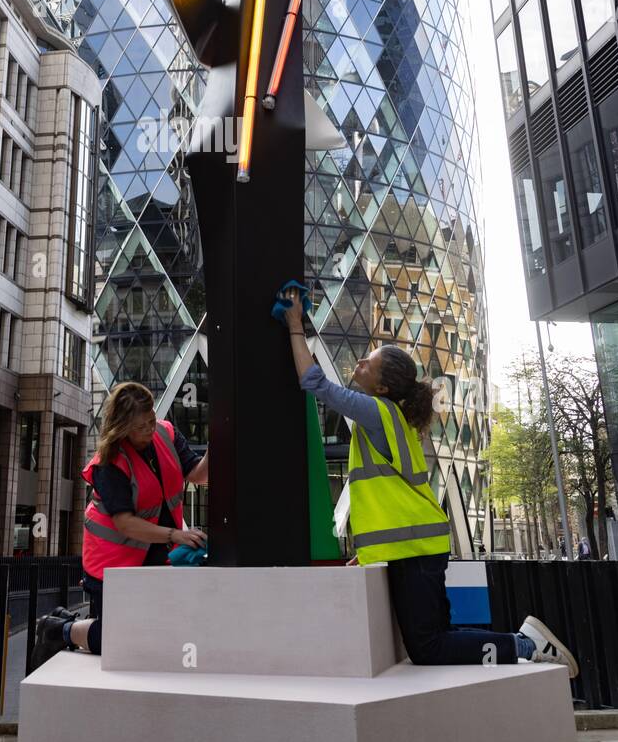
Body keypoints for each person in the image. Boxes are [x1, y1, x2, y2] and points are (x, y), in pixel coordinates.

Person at [280, 289, 579, 677]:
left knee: (429, 646)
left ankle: (525, 644)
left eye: (369, 362)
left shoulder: (374, 411)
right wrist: (370, 553)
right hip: (418, 548)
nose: (362, 361)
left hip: (417, 551)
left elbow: (315, 383)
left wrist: (294, 327)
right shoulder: (391, 416)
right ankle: (523, 641)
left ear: (383, 386)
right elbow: (391, 496)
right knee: (436, 637)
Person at [37, 382, 207, 660]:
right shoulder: (110, 462)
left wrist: (218, 446)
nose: (150, 429)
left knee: (156, 630)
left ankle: (66, 625)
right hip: (112, 563)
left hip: (152, 553)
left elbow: (198, 475)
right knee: (117, 639)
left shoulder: (166, 433)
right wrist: (175, 536)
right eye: (141, 427)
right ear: (122, 427)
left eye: (151, 419)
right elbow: (125, 524)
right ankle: (59, 629)